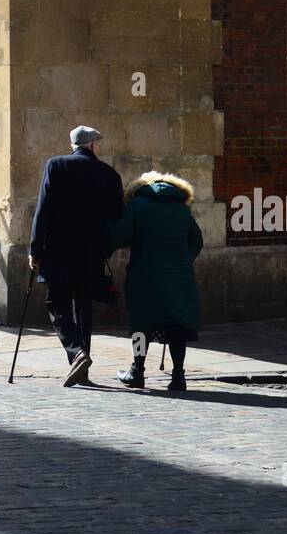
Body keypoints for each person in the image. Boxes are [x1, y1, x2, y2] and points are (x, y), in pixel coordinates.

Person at [30, 125, 124, 387]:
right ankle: (82, 368)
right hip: (92, 252)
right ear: (93, 146)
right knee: (83, 306)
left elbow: (43, 210)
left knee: (56, 303)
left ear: (73, 146)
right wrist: (106, 249)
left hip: (58, 251)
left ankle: (77, 353)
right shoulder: (109, 174)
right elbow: (117, 219)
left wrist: (35, 249)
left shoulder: (56, 166)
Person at [106, 169, 203, 393]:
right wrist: (182, 260)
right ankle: (178, 376)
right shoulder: (182, 208)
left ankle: (137, 371)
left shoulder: (137, 205)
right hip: (179, 275)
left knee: (141, 325)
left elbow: (120, 235)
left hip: (145, 274)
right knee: (177, 325)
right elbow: (196, 241)